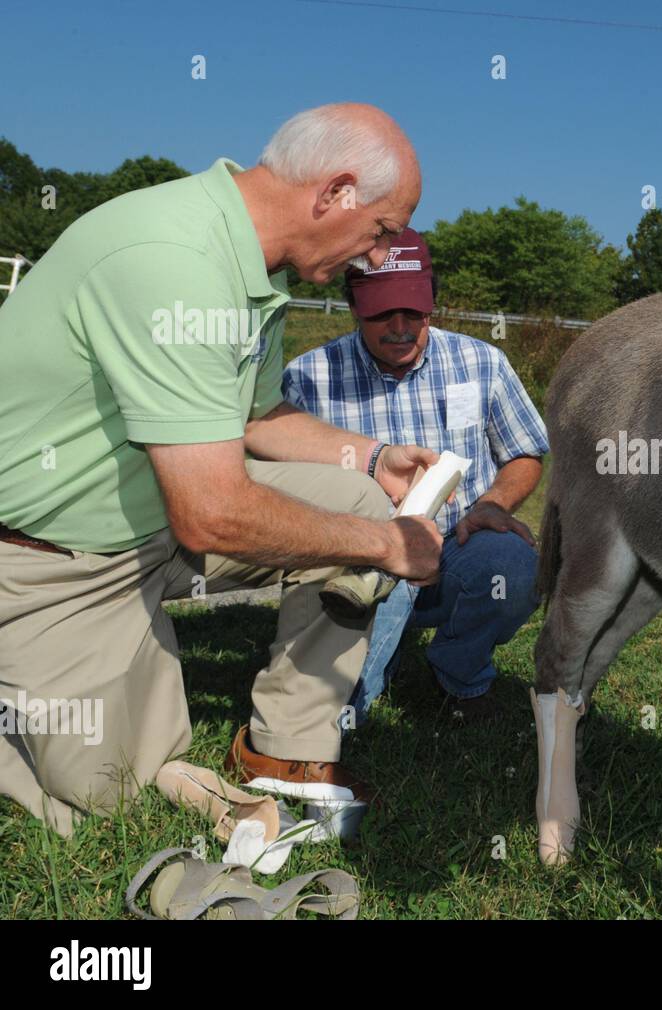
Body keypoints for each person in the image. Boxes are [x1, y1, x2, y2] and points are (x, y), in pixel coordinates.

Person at [0, 103, 443, 834]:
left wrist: (372, 457)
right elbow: (212, 511)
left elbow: (254, 417)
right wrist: (388, 547)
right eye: (382, 230)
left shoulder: (255, 271)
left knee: (362, 500)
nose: (375, 255)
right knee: (113, 798)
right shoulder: (173, 258)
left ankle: (287, 751)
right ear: (335, 193)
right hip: (50, 559)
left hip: (151, 527)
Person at [282, 229, 548, 721]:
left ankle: (458, 673)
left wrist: (492, 504)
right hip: (355, 554)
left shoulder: (481, 362)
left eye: (415, 312)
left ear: (432, 304)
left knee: (513, 568)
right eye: (382, 313)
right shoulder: (308, 378)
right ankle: (350, 692)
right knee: (340, 710)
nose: (401, 327)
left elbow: (525, 453)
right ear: (353, 306)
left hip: (455, 549)